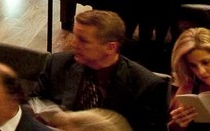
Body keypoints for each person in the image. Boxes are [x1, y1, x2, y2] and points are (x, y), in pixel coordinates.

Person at [38, 11, 169, 131]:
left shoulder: (147, 87)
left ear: (110, 47)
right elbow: (35, 103)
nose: (73, 44)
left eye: (83, 40)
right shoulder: (58, 63)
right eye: (75, 36)